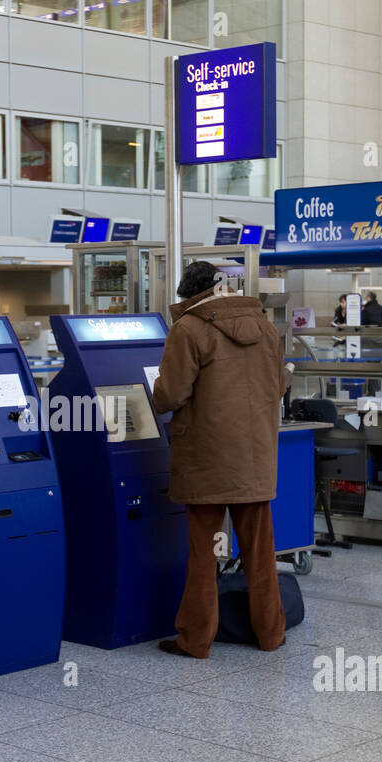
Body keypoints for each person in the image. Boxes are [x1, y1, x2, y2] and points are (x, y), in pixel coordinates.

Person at [151, 261, 288, 659]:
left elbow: (170, 396)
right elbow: (279, 385)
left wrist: (155, 389)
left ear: (188, 294)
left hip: (206, 458)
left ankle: (195, 640)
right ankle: (270, 633)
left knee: (205, 552)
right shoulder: (263, 325)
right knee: (260, 552)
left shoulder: (188, 329)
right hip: (255, 456)